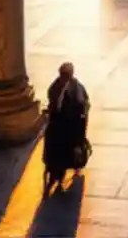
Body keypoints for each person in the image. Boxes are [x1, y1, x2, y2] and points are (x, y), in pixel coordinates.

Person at [42, 62, 90, 195]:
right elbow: (52, 101)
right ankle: (53, 176)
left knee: (63, 154)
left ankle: (58, 176)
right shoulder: (56, 86)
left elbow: (81, 107)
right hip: (57, 125)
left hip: (69, 126)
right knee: (53, 153)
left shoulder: (76, 88)